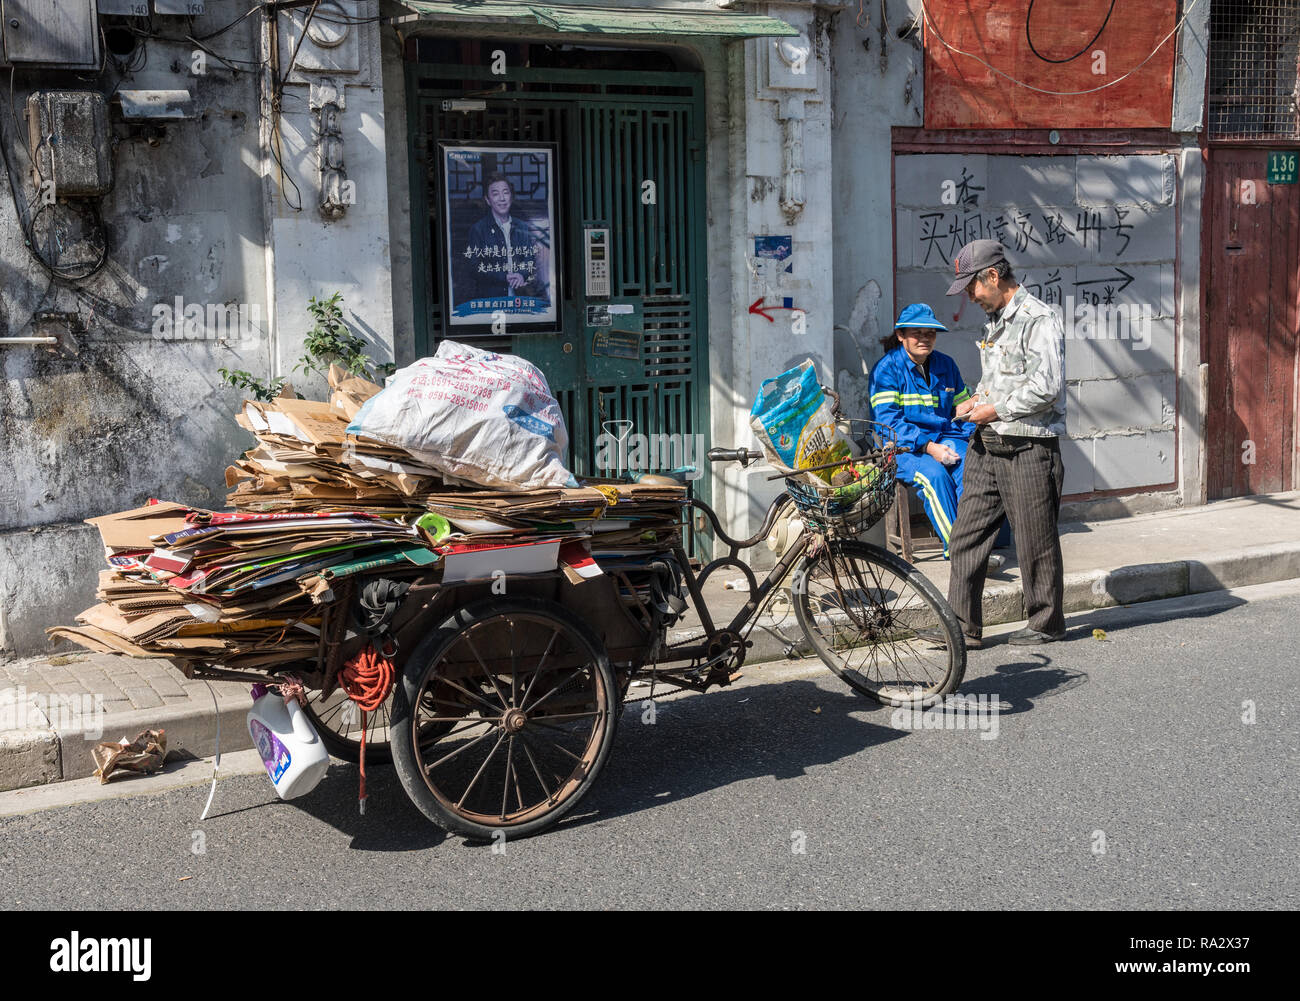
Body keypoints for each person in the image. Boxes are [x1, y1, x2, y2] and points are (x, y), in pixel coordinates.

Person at [942, 238, 1067, 647]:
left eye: (973, 288)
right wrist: (977, 400)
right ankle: (962, 626)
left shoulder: (1038, 318)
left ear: (993, 276)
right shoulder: (994, 322)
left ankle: (1045, 623)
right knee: (967, 535)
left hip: (1029, 447)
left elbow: (1046, 386)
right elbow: (998, 382)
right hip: (988, 444)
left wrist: (994, 409)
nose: (972, 298)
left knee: (1035, 539)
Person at [869, 303, 978, 560]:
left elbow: (961, 410)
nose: (924, 339)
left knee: (975, 466)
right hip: (902, 447)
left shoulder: (946, 365)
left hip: (945, 438)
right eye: (916, 333)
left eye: (930, 333)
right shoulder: (886, 369)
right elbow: (887, 422)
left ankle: (976, 542)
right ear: (901, 336)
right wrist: (929, 447)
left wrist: (971, 422)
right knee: (935, 476)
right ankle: (959, 549)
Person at [464, 173, 550, 302]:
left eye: (506, 192)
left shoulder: (521, 227)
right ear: (488, 200)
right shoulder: (478, 229)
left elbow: (529, 259)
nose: (502, 198)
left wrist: (522, 274)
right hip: (491, 300)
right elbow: (474, 268)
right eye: (495, 194)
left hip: (521, 298)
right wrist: (504, 276)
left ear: (511, 196)